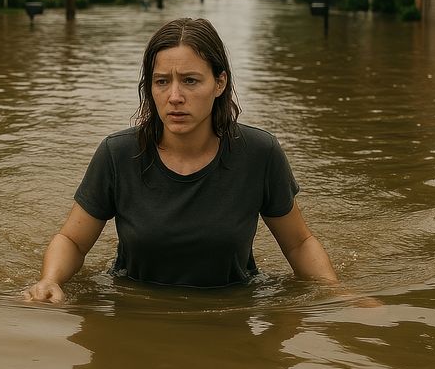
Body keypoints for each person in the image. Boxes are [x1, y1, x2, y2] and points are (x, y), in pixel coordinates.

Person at [24, 17, 338, 303]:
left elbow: (298, 244)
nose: (174, 96)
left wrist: (338, 295)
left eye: (190, 80)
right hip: (134, 306)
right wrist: (50, 281)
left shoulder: (259, 153)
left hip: (231, 308)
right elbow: (73, 240)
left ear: (219, 83)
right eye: (162, 81)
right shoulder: (118, 154)